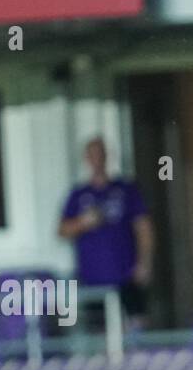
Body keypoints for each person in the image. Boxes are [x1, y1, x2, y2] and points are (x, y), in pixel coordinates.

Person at [58, 136, 154, 317]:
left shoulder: (126, 190)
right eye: (92, 155)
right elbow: (62, 230)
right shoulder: (78, 195)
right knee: (99, 332)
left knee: (134, 328)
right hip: (92, 278)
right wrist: (84, 222)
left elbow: (143, 228)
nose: (97, 160)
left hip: (126, 275)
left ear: (107, 156)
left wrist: (145, 263)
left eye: (100, 154)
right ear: (86, 159)